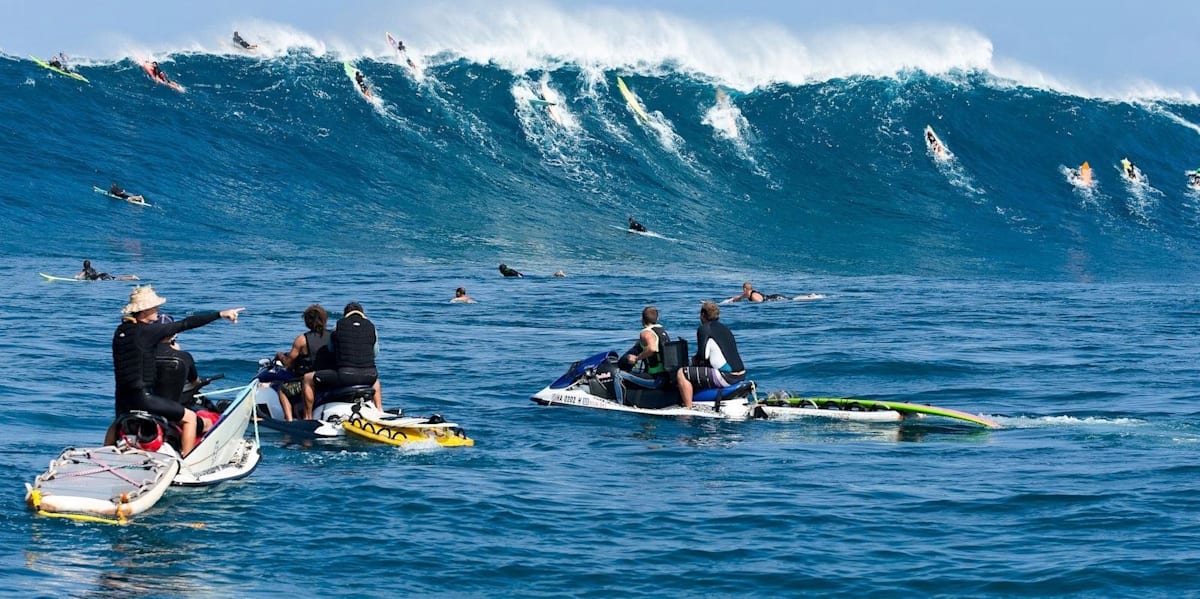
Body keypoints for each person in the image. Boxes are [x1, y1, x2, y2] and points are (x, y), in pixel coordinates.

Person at [104, 285, 243, 457]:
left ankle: (105, 453)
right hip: (142, 398)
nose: (158, 310)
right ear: (145, 310)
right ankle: (187, 460)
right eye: (155, 307)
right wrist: (220, 314)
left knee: (117, 422)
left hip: (123, 398)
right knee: (190, 418)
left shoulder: (121, 330)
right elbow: (185, 324)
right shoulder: (148, 331)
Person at [300, 302, 383, 420]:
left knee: (307, 379)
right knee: (376, 381)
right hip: (370, 375)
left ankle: (308, 417)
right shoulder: (371, 327)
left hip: (345, 375)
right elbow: (375, 353)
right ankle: (380, 411)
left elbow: (331, 349)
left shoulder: (338, 326)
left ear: (345, 314)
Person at [676, 301, 745, 409]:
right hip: (741, 374)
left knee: (682, 373)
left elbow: (703, 356)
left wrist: (693, 361)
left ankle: (687, 408)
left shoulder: (704, 329)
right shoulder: (725, 328)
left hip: (726, 376)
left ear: (703, 315)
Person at [273, 304, 332, 421]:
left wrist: (280, 356)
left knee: (283, 389)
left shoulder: (302, 340)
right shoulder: (333, 337)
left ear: (307, 321)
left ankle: (289, 421)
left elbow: (288, 363)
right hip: (328, 378)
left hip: (308, 381)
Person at [613, 306, 671, 405]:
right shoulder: (661, 331)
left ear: (642, 319)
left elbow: (652, 349)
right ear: (657, 318)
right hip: (665, 376)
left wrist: (637, 358)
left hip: (656, 379)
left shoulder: (646, 333)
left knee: (618, 375)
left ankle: (620, 404)